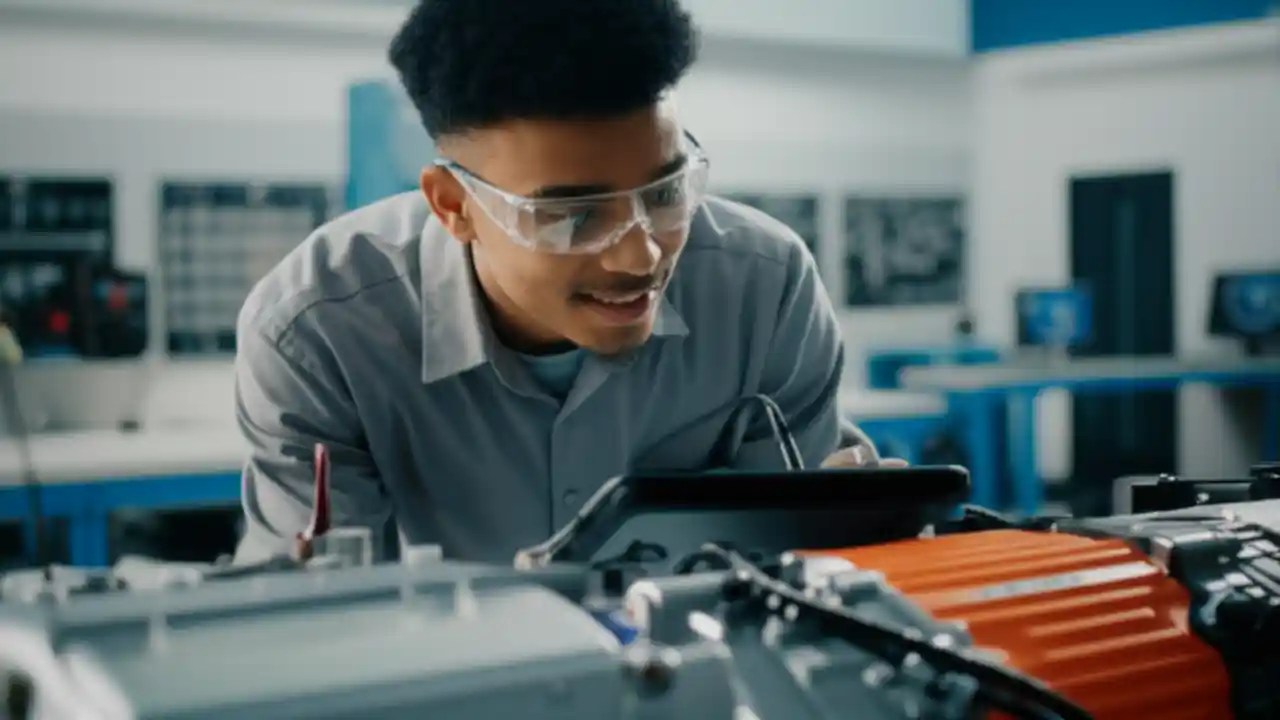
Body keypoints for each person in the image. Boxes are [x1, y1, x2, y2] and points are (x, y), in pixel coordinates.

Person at [233, 0, 884, 564]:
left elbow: (805, 558)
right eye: (572, 216)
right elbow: (326, 619)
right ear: (454, 206)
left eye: (665, 191)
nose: (641, 255)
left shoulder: (764, 288)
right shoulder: (317, 331)